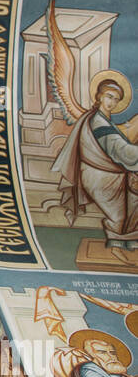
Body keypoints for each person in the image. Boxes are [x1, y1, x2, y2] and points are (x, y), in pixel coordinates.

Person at [53, 76, 138, 251]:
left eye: (116, 99)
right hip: (100, 176)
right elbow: (121, 151)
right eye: (109, 96)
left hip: (108, 173)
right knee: (120, 216)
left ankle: (127, 242)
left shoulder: (104, 120)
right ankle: (116, 247)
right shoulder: (98, 122)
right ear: (99, 96)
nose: (112, 102)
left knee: (134, 201)